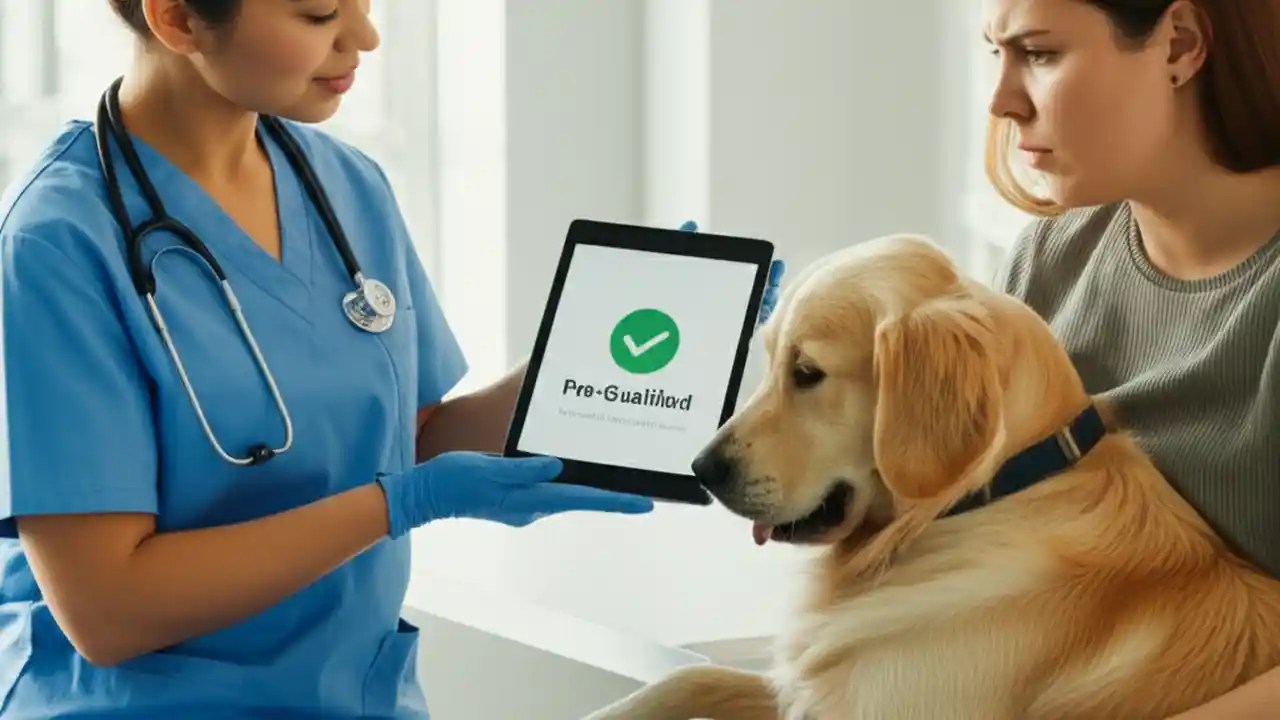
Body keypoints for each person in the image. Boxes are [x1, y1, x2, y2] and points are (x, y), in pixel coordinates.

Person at [0, 1, 780, 717]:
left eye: (367, 3)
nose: (364, 38)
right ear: (177, 18)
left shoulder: (345, 186)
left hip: (358, 698)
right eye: (317, 13)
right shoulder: (61, 242)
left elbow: (411, 440)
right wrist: (397, 505)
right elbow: (108, 610)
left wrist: (595, 350)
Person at [983, 0, 1280, 715]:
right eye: (995, 54)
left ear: (1179, 43)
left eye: (1042, 54)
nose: (1003, 101)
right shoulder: (1049, 263)